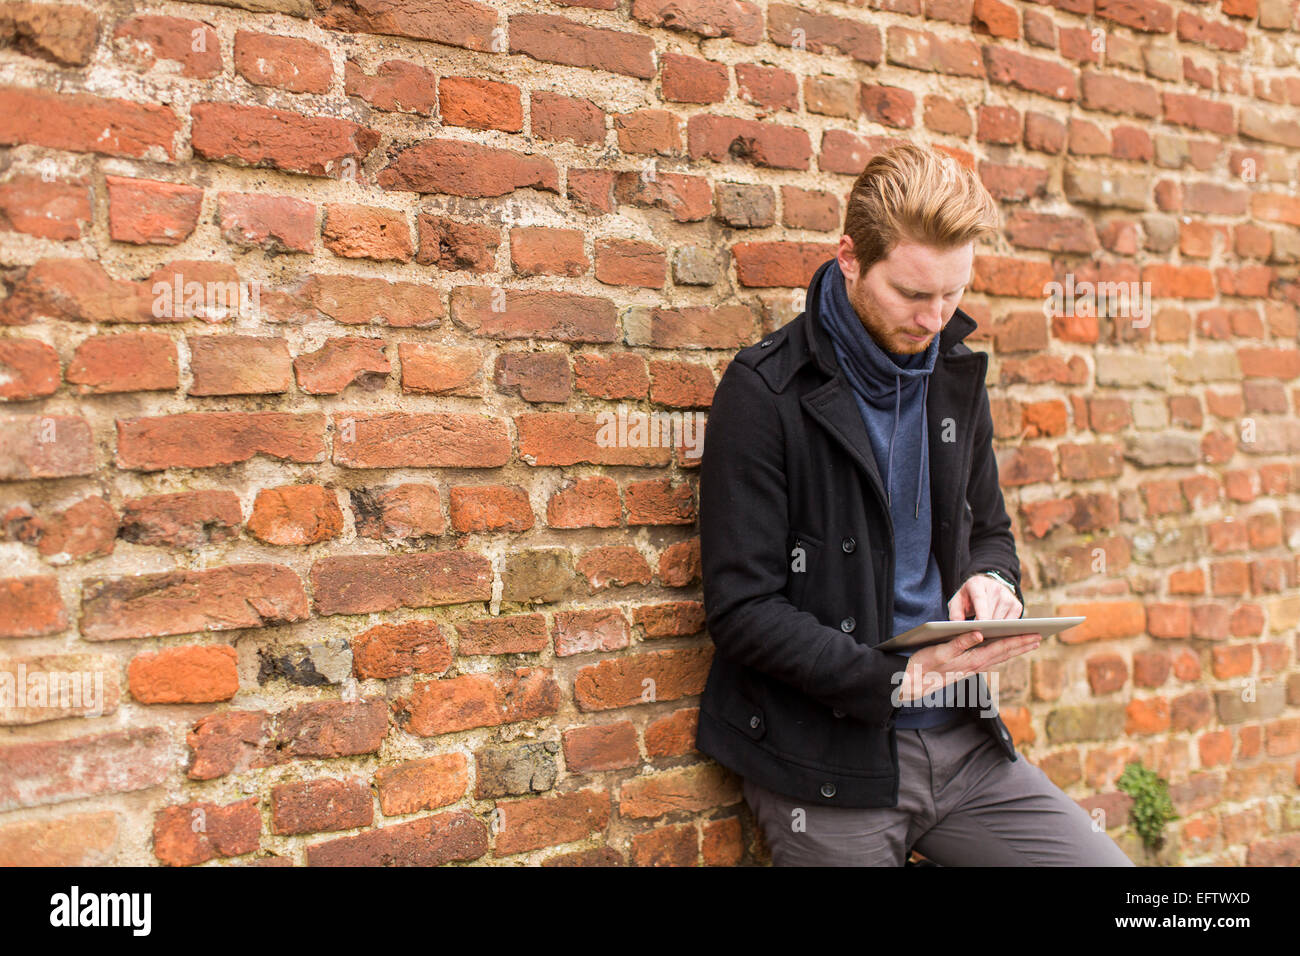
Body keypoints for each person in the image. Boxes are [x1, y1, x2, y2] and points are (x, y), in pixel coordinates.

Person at [695, 142, 1134, 867]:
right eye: (913, 294)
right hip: (828, 765)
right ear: (850, 258)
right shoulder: (765, 392)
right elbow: (742, 610)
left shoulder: (953, 373)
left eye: (953, 293)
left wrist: (992, 583)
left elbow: (989, 529)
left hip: (965, 743)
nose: (935, 319)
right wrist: (894, 678)